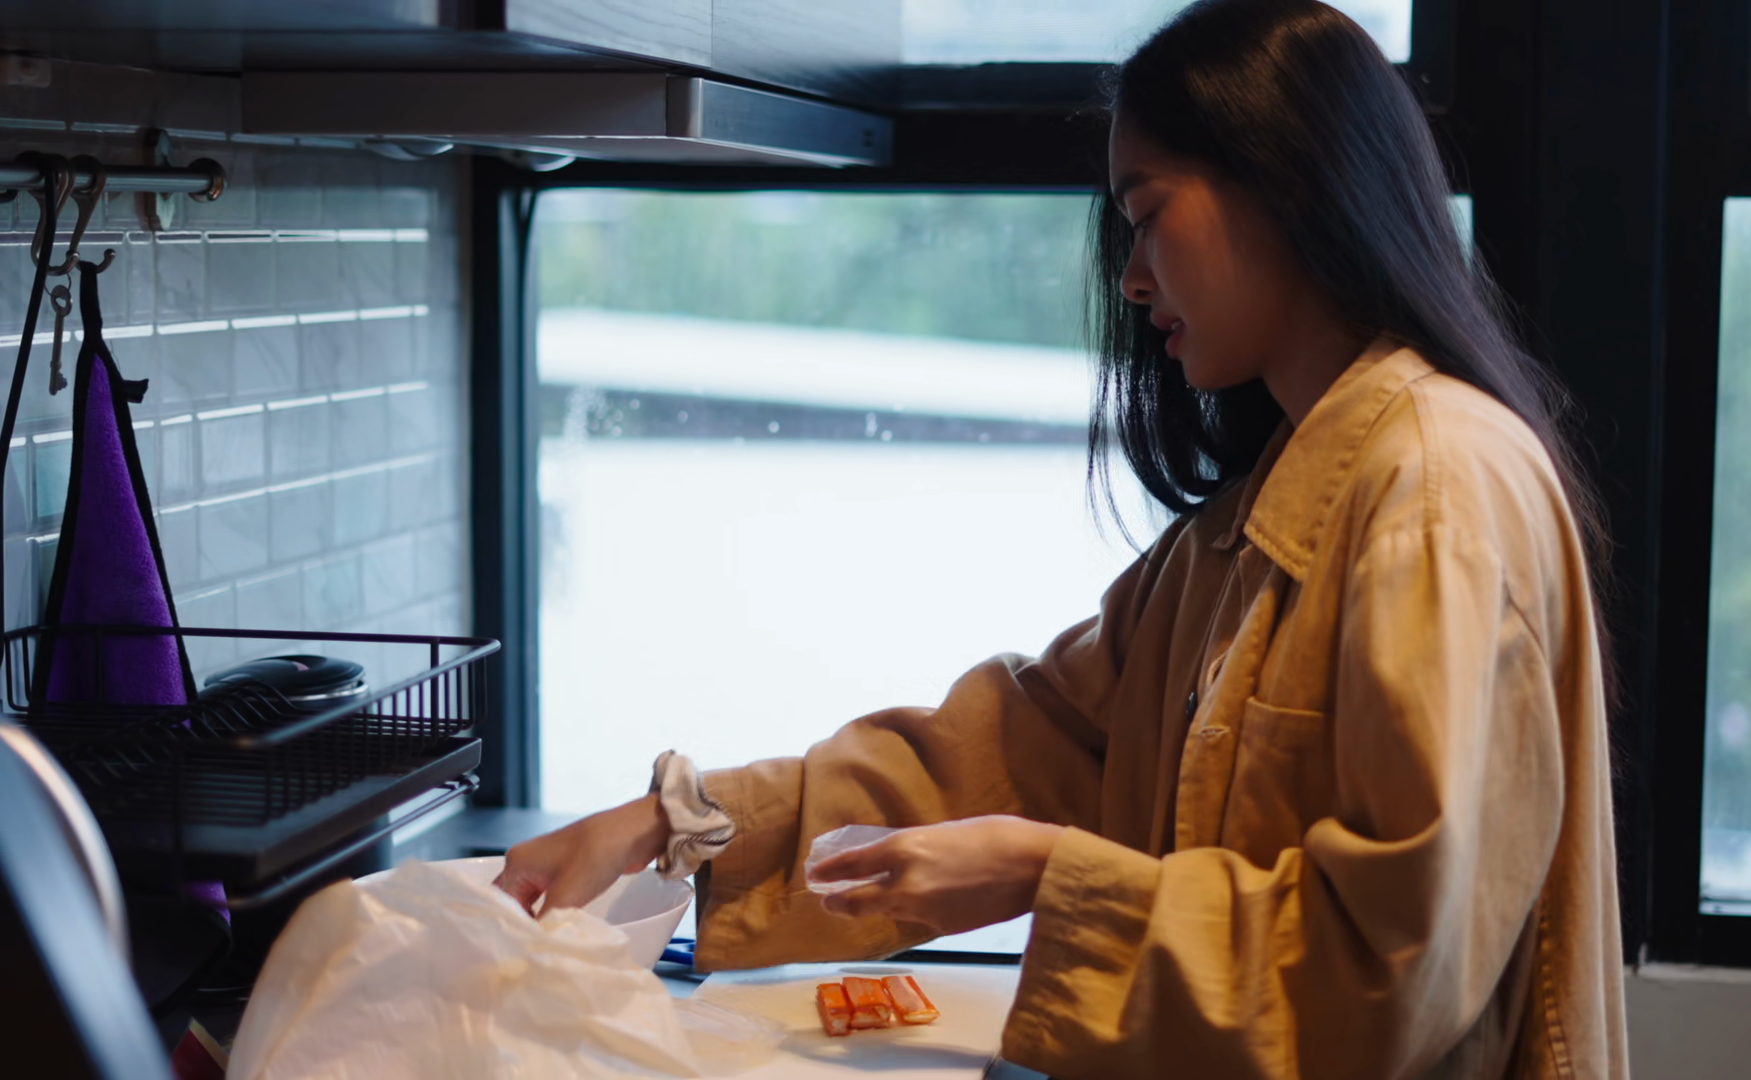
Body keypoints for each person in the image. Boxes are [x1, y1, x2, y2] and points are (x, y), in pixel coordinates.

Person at [494, 1, 1629, 1075]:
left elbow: (1388, 974)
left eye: (1146, 215)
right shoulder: (1254, 527)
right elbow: (997, 749)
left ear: (1283, 181)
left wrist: (1046, 874)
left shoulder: (1434, 488)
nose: (1130, 279)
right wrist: (672, 826)